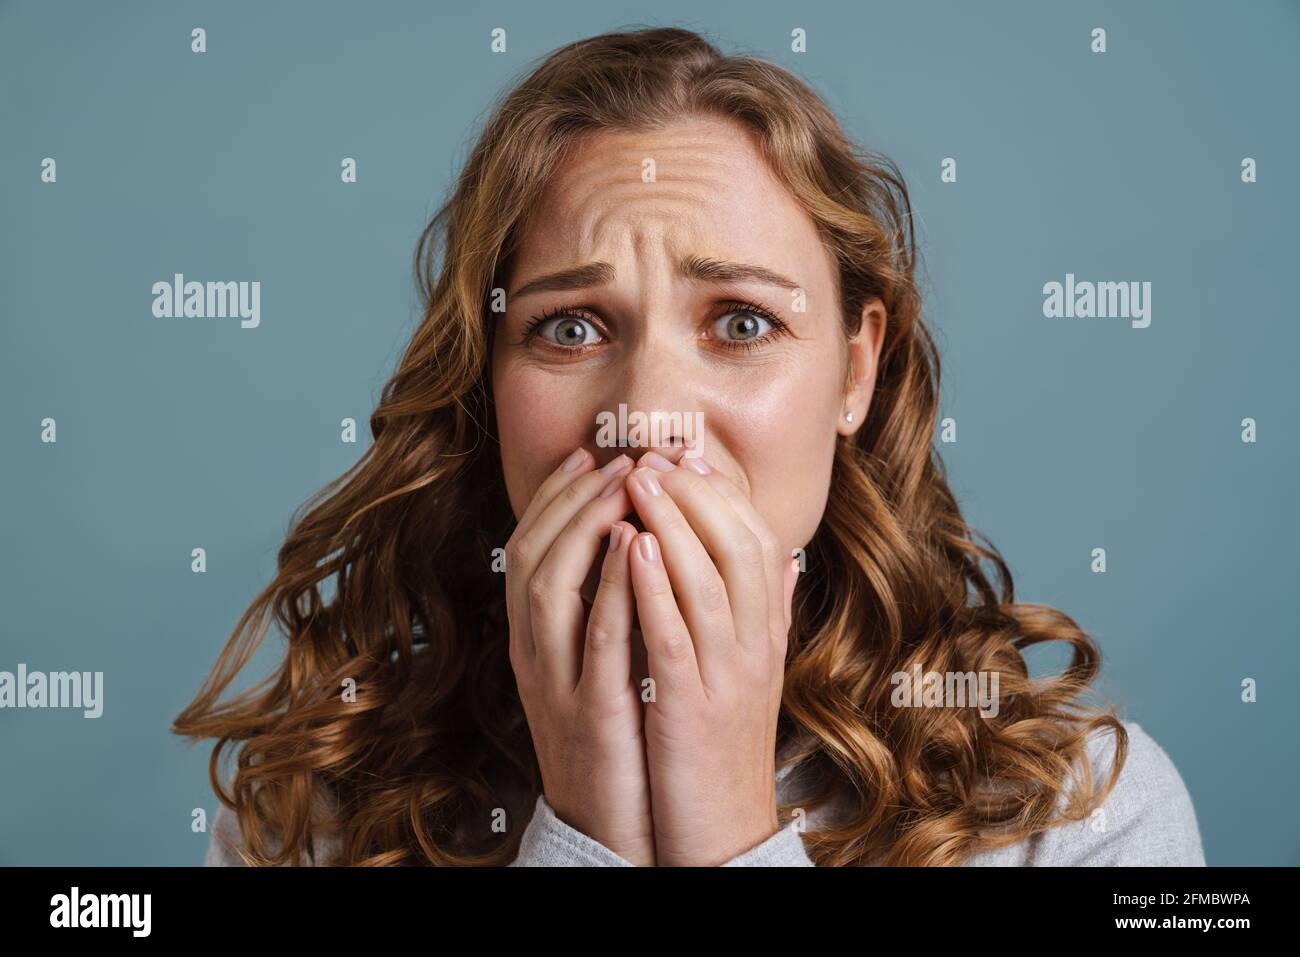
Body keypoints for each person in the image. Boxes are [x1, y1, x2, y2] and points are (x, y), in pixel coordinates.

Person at [176, 26, 1205, 867]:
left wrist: (723, 823)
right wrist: (586, 834)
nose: (647, 416)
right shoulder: (312, 814)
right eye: (569, 328)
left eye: (741, 323)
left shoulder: (1080, 819)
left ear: (854, 373)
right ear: (488, 382)